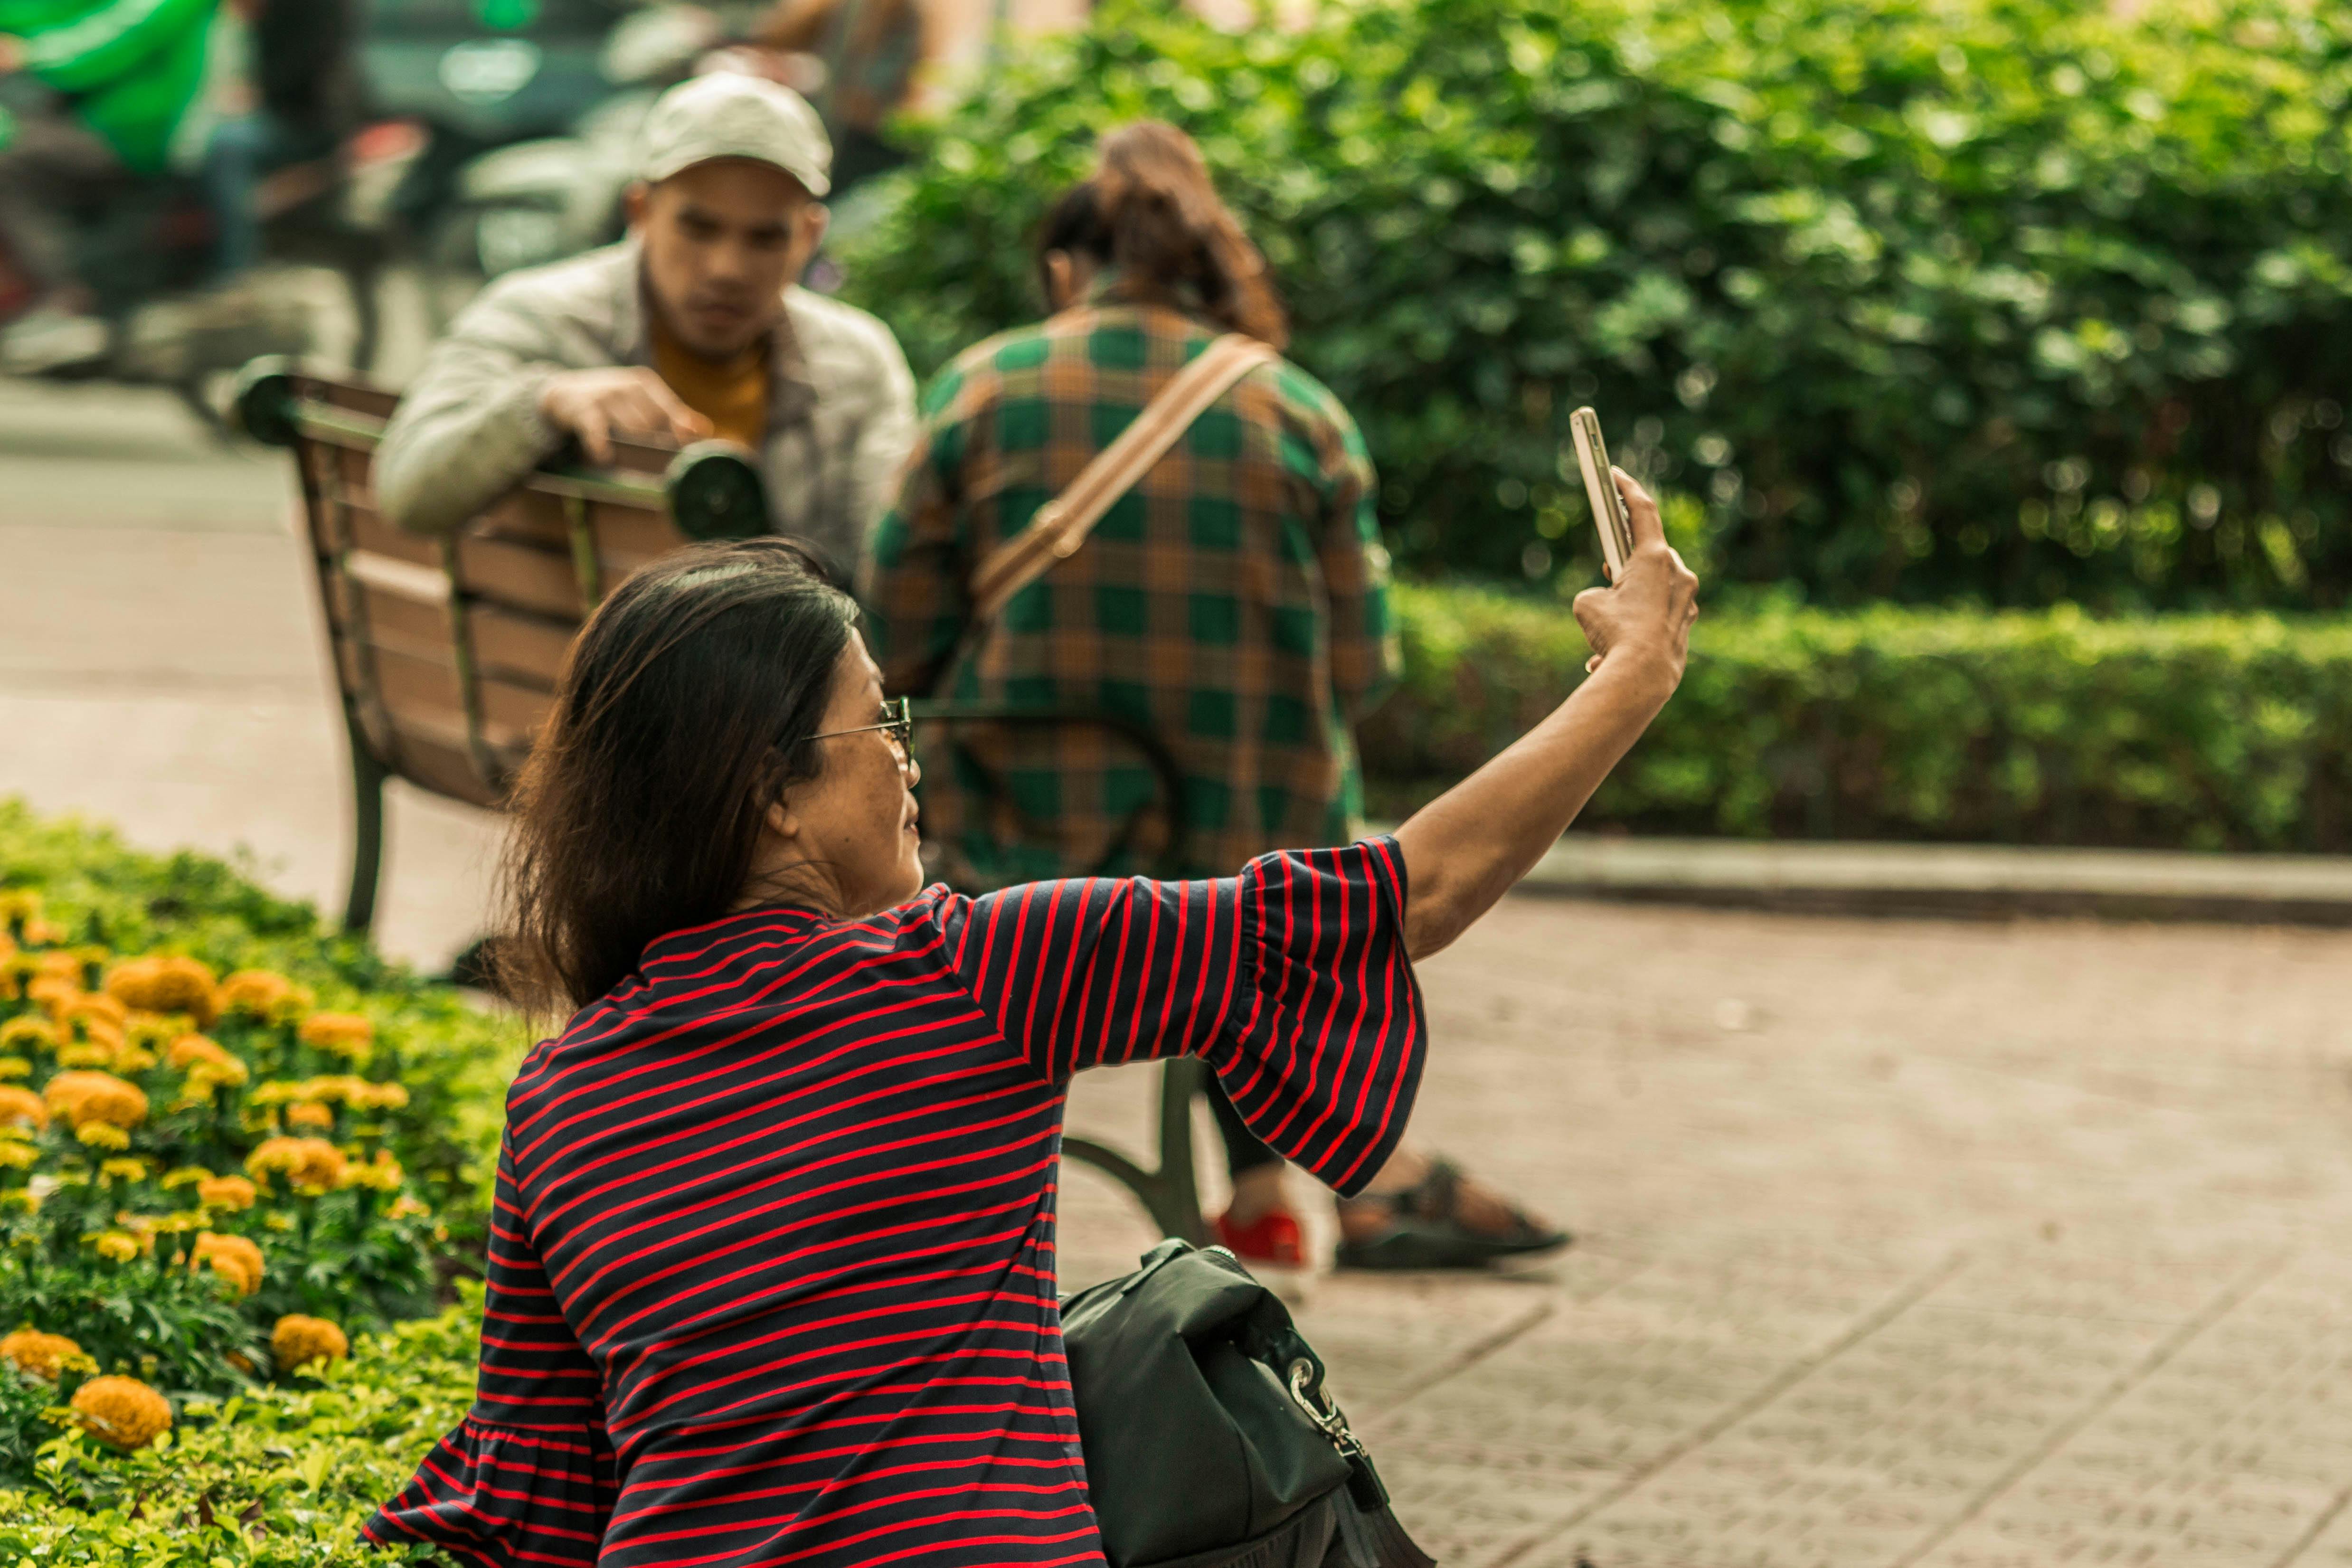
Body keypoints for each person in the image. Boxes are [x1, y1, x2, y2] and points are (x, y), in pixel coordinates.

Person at [363, 482, 1696, 1565]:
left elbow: (527, 1502)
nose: (906, 750)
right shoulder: (977, 969)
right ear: (770, 793)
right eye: (876, 716)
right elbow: (1410, 890)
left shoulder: (555, 1097)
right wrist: (1633, 670)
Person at [863, 122, 1559, 1272]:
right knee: (1245, 894)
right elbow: (1361, 668)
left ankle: (950, 1210)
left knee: (1160, 884)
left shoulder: (980, 387)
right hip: (1251, 878)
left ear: (1064, 268)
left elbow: (894, 639)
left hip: (1020, 859)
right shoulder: (1299, 411)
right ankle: (1263, 1188)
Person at [373, 72, 917, 578]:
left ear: (808, 237)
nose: (727, 269)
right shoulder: (541, 317)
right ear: (641, 212)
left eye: (765, 238)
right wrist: (543, 403)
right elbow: (406, 492)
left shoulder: (856, 360)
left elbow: (884, 577)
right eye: (699, 228)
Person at [0, 0, 247, 369]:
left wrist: (31, 52)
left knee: (9, 163)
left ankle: (64, 300)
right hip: (92, 119)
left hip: (133, 135)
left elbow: (115, 37)